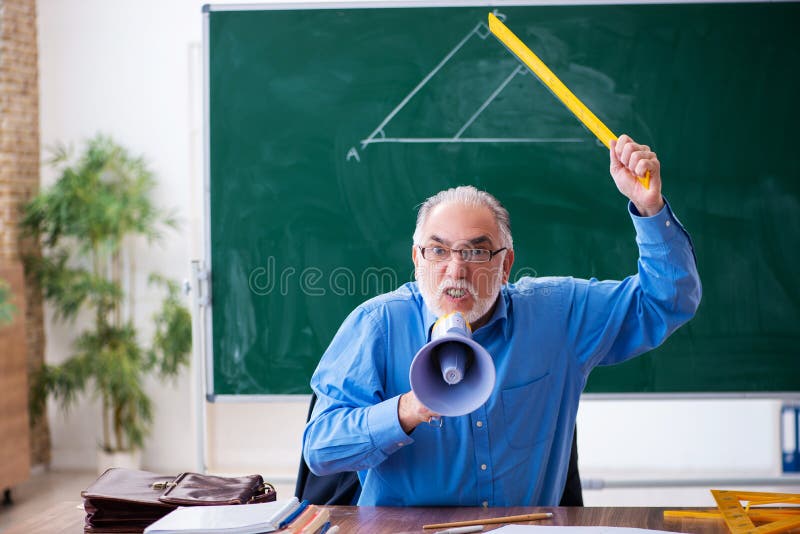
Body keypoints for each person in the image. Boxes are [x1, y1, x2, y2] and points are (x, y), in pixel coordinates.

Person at [302, 135, 702, 506]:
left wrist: (649, 208)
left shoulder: (557, 314)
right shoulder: (377, 325)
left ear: (506, 264)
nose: (455, 271)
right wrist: (407, 409)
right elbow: (320, 450)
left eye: (476, 253)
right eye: (438, 252)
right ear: (417, 259)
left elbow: (668, 301)